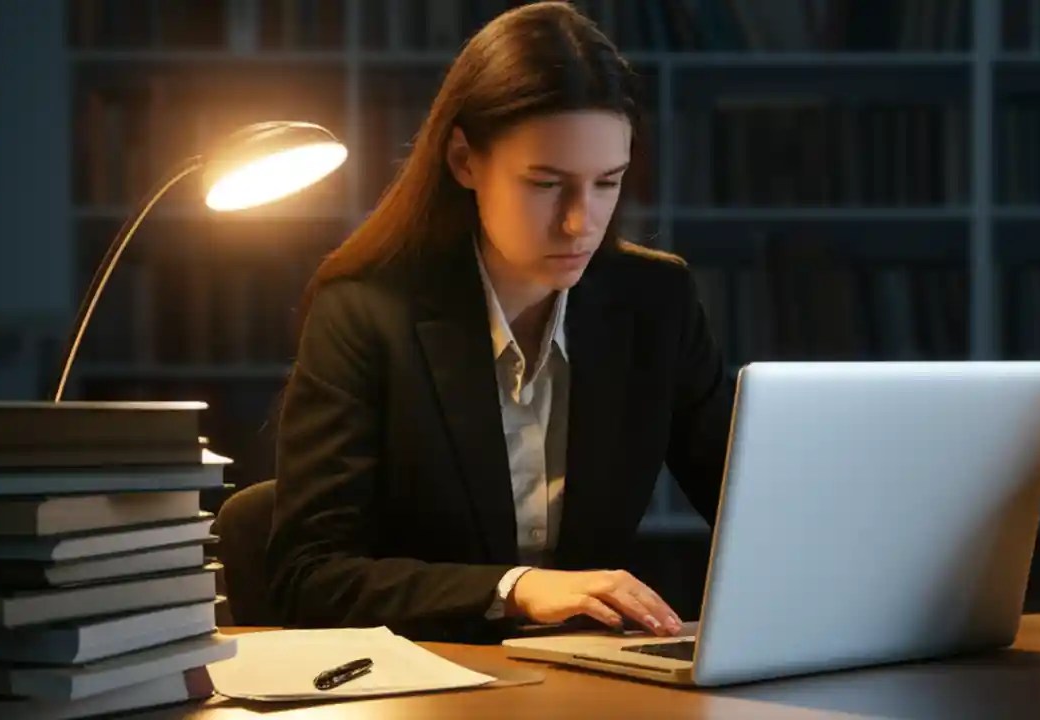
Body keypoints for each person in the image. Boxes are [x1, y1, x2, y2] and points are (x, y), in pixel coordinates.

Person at [265, 1, 733, 644]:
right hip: (422, 689)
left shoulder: (656, 300)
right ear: (464, 161)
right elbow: (307, 578)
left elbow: (755, 509)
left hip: (587, 688)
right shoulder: (364, 312)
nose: (580, 222)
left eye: (608, 182)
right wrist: (513, 589)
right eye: (546, 184)